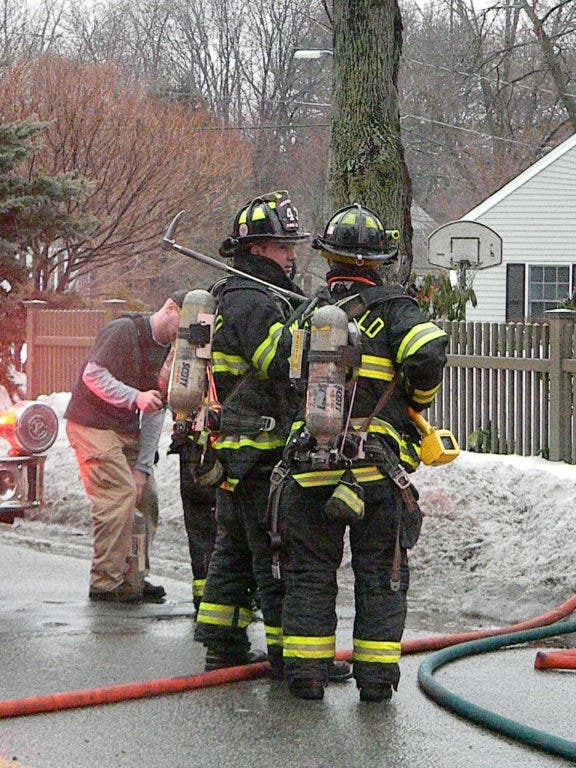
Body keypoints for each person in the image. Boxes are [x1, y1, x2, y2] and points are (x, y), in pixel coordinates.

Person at [274, 203, 449, 701]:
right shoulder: (397, 308)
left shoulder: (310, 312)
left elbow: (276, 368)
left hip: (310, 465)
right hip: (376, 471)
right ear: (379, 261)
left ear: (328, 258)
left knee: (308, 575)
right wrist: (413, 404)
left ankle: (306, 676)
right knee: (381, 575)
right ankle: (375, 682)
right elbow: (429, 353)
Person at [193, 190, 351, 684]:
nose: (291, 256)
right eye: (284, 248)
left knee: (235, 553)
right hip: (257, 453)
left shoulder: (237, 295)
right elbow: (278, 362)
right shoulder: (250, 300)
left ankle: (222, 647)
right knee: (273, 557)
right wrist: (313, 316)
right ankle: (291, 660)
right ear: (259, 249)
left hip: (236, 453)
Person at [65, 291, 186, 603]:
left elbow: (156, 410)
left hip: (124, 429)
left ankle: (134, 578)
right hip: (90, 424)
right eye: (183, 323)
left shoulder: (170, 351)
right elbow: (93, 376)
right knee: (118, 494)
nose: (183, 334)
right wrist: (135, 397)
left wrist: (144, 468)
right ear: (170, 307)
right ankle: (105, 581)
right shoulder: (123, 331)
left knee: (146, 499)